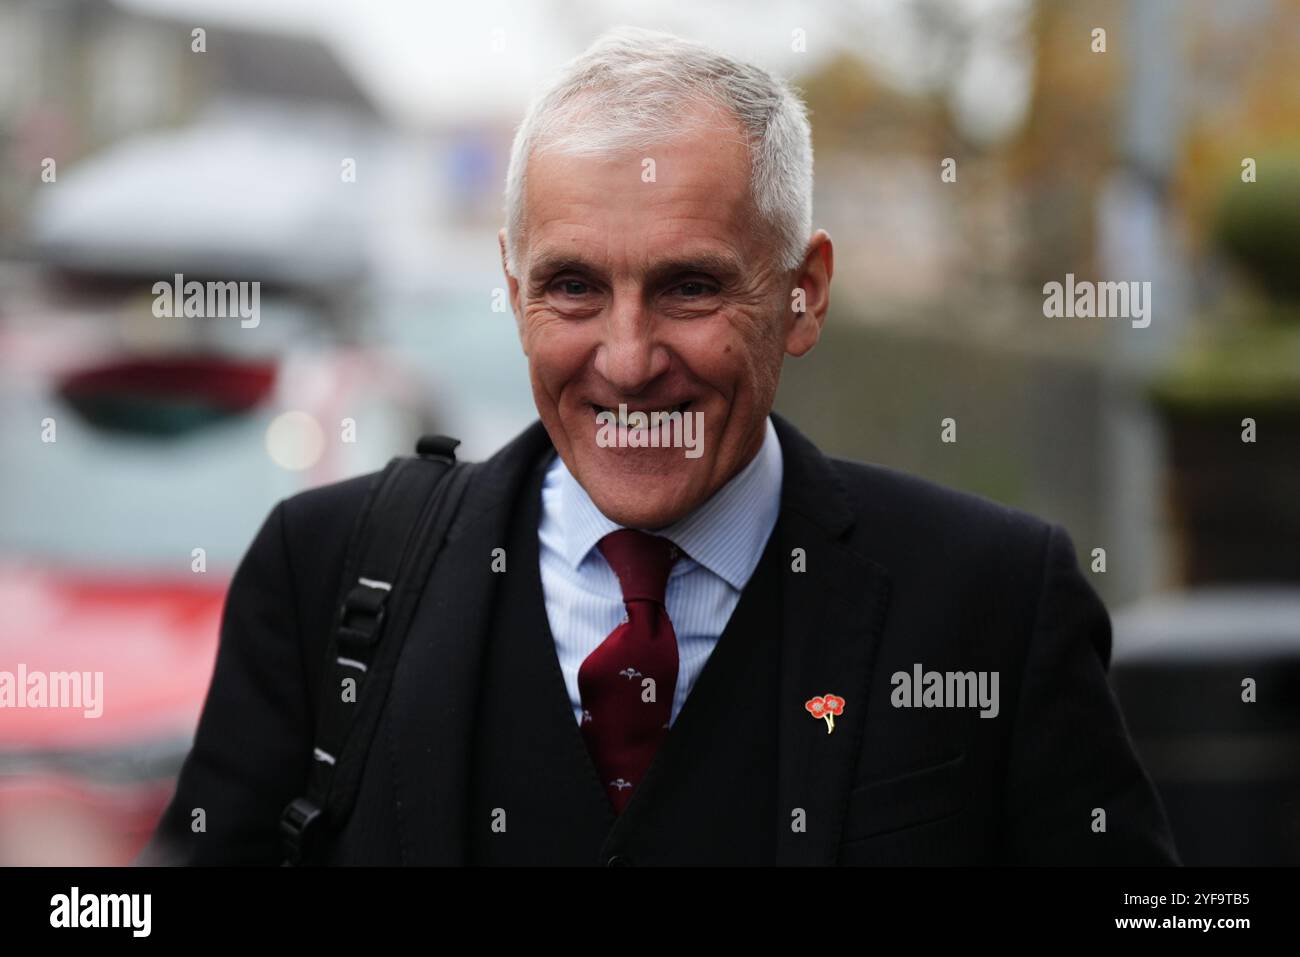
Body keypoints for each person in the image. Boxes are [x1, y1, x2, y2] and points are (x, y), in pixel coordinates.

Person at [142, 26, 1178, 866]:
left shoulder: (991, 601)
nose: (628, 361)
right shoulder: (322, 574)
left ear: (803, 293)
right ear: (513, 292)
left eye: (689, 286)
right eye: (573, 288)